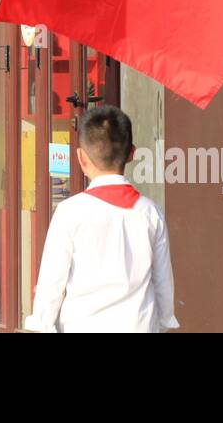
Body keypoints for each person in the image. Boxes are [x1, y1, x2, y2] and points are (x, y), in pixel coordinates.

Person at [25, 104, 179, 333]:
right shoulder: (150, 212)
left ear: (81, 157)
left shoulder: (69, 213)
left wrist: (40, 324)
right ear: (132, 153)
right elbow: (162, 282)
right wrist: (166, 321)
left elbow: (52, 284)